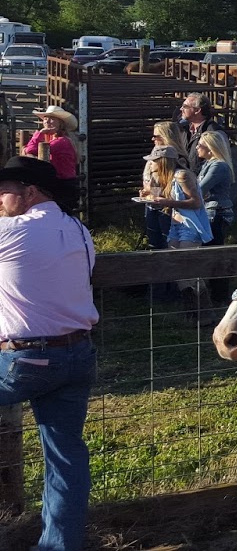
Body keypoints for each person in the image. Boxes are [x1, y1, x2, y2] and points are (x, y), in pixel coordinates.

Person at [0, 155, 98, 551]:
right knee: (65, 457)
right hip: (77, 354)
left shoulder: (10, 233)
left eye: (4, 191)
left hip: (25, 360)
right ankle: (60, 545)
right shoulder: (79, 230)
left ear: (30, 193)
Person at [142, 146, 210, 248]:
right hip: (175, 225)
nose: (150, 163)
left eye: (153, 160)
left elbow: (196, 202)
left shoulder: (182, 176)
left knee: (185, 260)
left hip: (190, 225)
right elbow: (171, 197)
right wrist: (149, 193)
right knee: (172, 259)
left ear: (162, 161)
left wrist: (168, 202)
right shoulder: (169, 177)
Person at [142, 122, 183, 250]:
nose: (153, 139)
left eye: (156, 136)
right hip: (152, 205)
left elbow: (169, 186)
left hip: (167, 209)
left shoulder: (176, 158)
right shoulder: (155, 153)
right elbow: (148, 177)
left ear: (166, 136)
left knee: (166, 244)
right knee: (153, 243)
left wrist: (150, 190)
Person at [194, 131, 235, 246]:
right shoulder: (208, 164)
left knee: (211, 248)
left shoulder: (218, 166)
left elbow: (200, 189)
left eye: (200, 145)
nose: (197, 147)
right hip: (208, 210)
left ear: (211, 148)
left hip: (216, 213)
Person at [24, 106, 79, 182]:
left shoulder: (62, 141)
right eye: (45, 119)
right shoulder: (55, 139)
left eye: (52, 119)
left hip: (63, 183)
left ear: (60, 123)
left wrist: (40, 133)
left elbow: (31, 150)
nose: (47, 121)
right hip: (61, 180)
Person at [176, 93, 225, 171]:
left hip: (201, 179)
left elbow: (216, 162)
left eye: (185, 106)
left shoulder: (213, 133)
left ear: (197, 110)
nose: (181, 109)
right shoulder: (184, 129)